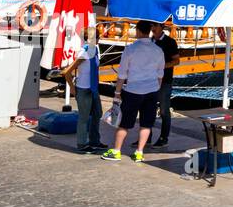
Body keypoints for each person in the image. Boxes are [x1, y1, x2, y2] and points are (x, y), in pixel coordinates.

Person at [100, 21, 165, 163]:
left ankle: (116, 151)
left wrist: (117, 93)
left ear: (138, 31)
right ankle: (139, 152)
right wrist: (157, 89)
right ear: (149, 31)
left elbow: (122, 74)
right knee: (146, 123)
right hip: (152, 90)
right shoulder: (158, 50)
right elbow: (160, 74)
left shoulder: (130, 49)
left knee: (124, 123)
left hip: (133, 90)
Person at [63, 26, 104, 154]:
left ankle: (94, 141)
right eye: (97, 37)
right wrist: (72, 88)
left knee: (98, 113)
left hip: (93, 88)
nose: (99, 39)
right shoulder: (84, 53)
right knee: (84, 118)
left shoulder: (95, 50)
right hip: (84, 89)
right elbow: (67, 72)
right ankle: (82, 143)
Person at [149, 23, 181, 148]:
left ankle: (164, 138)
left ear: (161, 27)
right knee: (148, 109)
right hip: (150, 80)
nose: (153, 28)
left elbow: (176, 61)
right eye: (152, 26)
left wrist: (162, 66)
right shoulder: (150, 41)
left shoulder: (170, 42)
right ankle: (147, 137)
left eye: (155, 26)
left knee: (163, 110)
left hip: (165, 81)